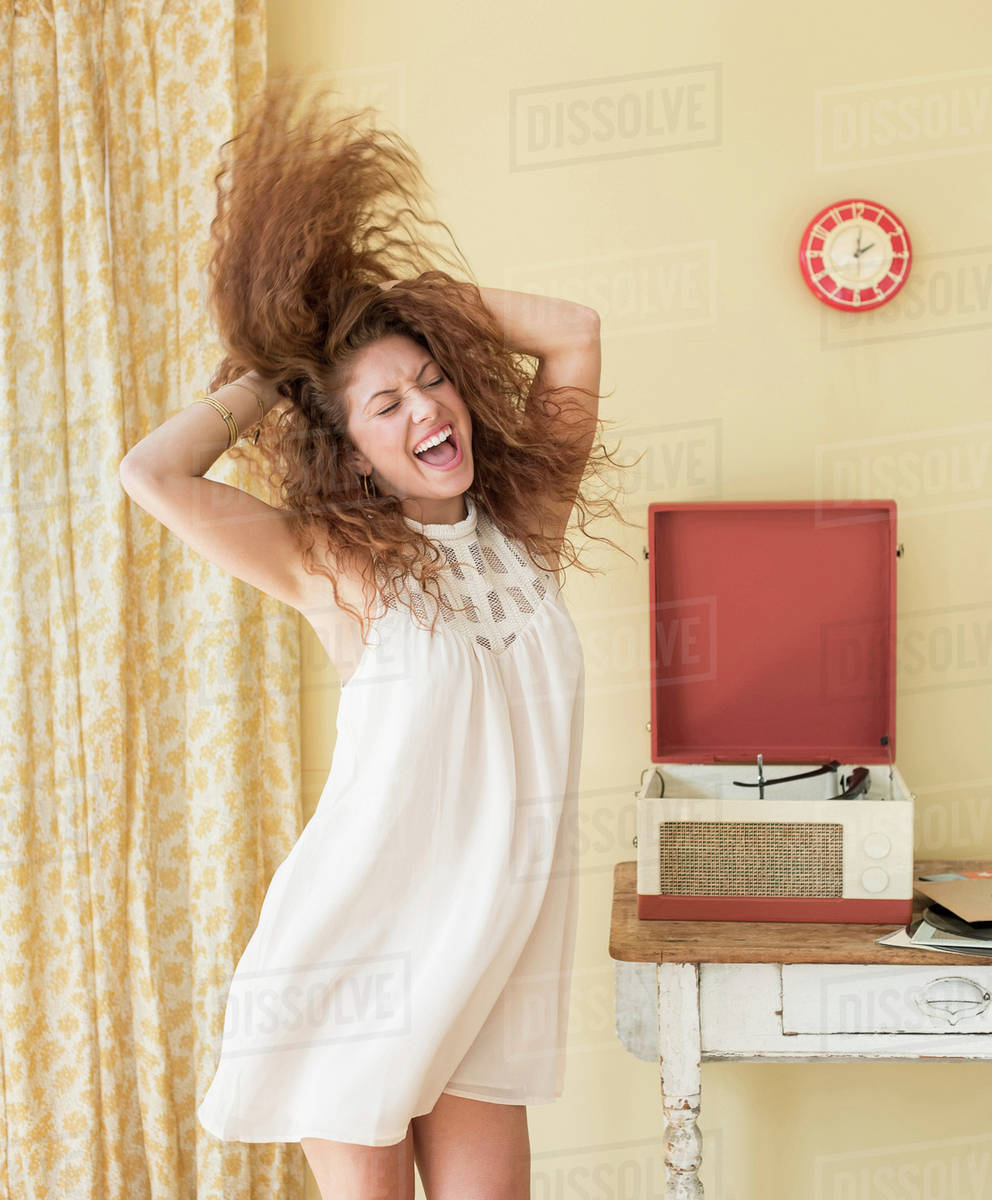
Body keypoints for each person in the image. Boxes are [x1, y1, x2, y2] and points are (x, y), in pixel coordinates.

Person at [119, 78, 632, 1200]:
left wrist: (401, 305)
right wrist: (285, 368)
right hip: (358, 960)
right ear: (351, 452)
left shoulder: (522, 538)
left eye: (432, 382)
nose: (426, 411)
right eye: (386, 406)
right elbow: (151, 474)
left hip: (489, 964)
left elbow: (574, 333)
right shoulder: (334, 564)